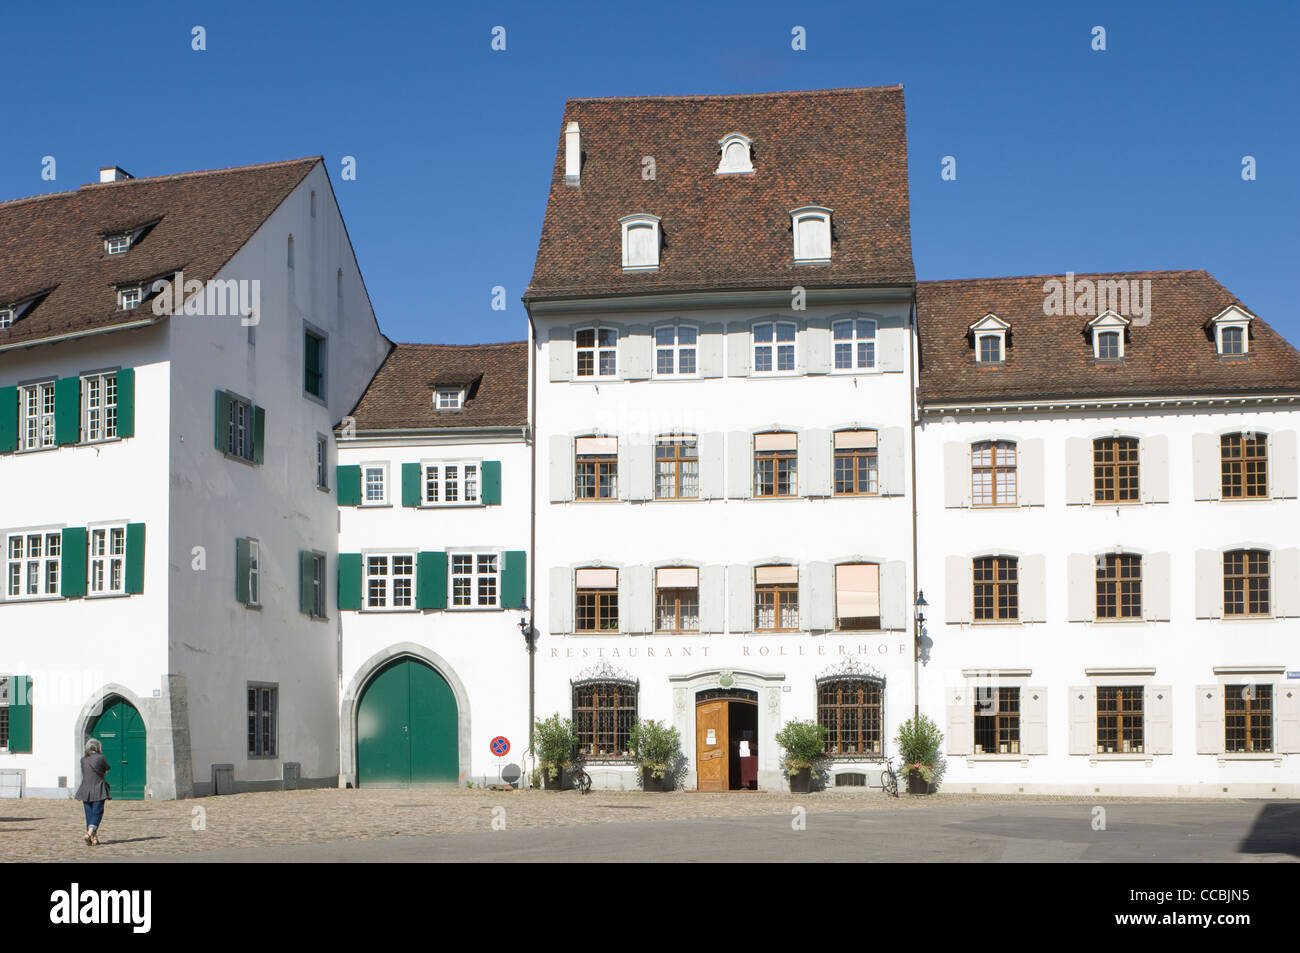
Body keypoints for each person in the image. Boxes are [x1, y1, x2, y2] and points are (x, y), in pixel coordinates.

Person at [74, 738, 111, 846]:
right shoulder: (100, 758)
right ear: (98, 747)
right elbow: (106, 769)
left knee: (89, 815)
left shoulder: (83, 759)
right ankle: (89, 833)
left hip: (85, 789)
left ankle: (94, 838)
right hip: (98, 788)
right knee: (97, 812)